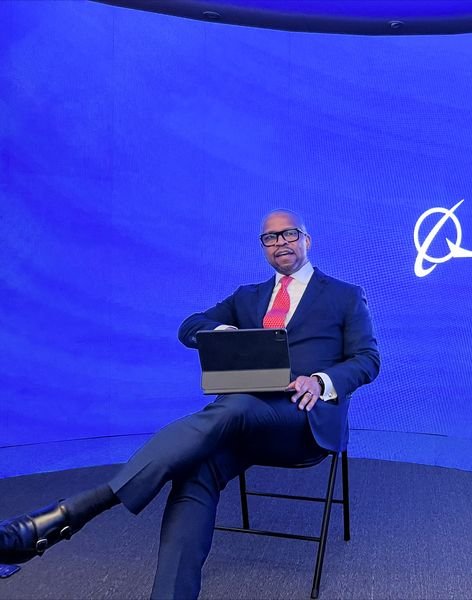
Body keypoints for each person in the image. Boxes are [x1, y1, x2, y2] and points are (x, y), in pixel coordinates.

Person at [0, 209, 380, 598]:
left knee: (233, 408)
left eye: (289, 234)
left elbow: (368, 360)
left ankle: (76, 510)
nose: (280, 242)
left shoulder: (344, 295)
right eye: (270, 237)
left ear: (307, 240)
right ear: (263, 248)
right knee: (195, 468)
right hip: (238, 423)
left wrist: (320, 381)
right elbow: (189, 326)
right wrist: (223, 331)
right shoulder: (247, 297)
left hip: (301, 420)